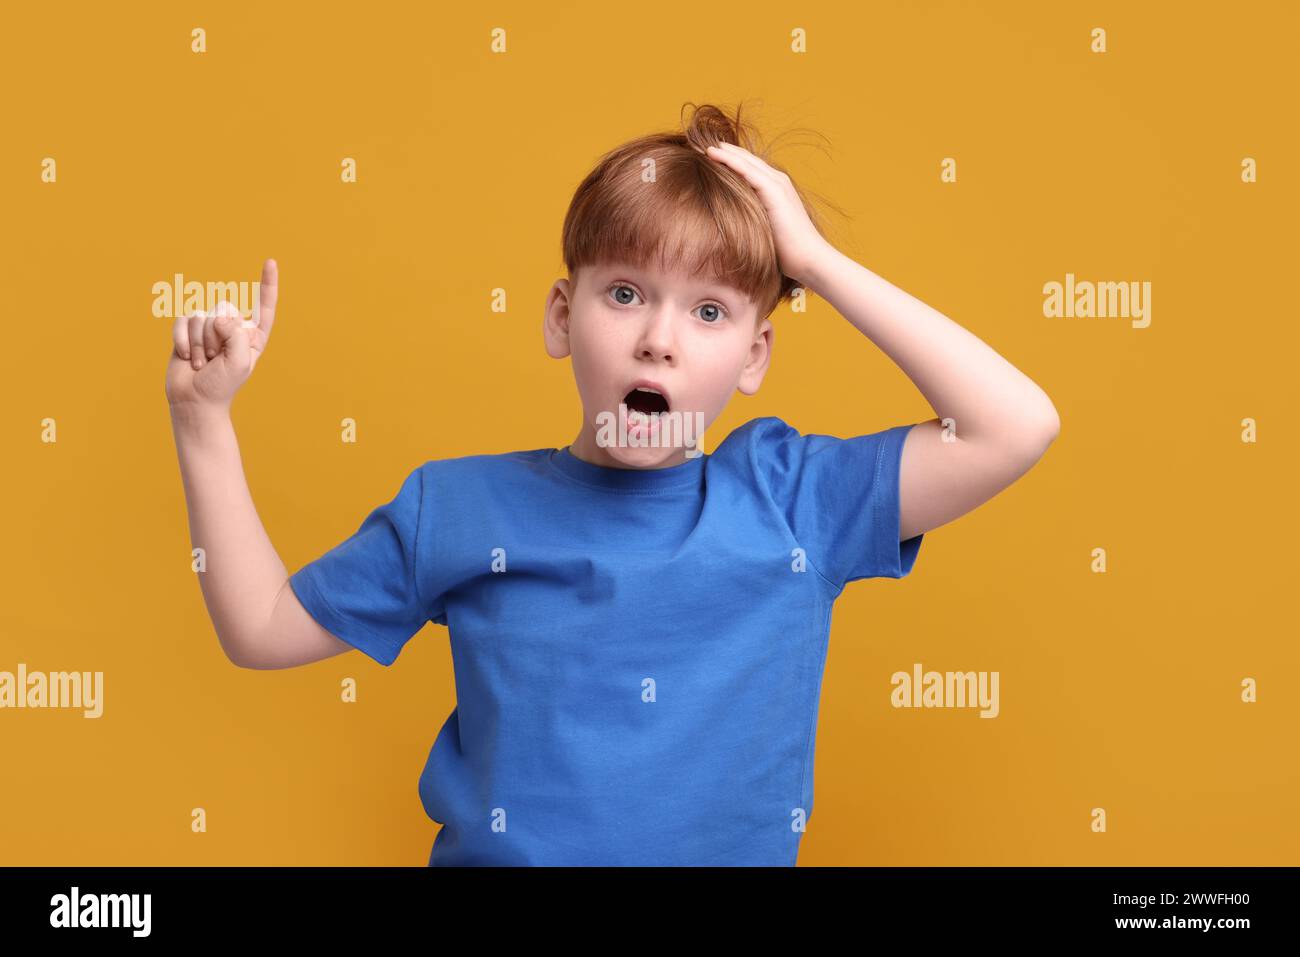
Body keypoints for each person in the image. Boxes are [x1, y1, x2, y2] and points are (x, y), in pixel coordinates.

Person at [165, 102, 1060, 866]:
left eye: (709, 311)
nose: (658, 339)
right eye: (625, 293)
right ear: (564, 317)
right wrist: (204, 423)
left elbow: (1014, 426)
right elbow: (260, 628)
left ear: (755, 357)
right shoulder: (458, 507)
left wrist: (815, 262)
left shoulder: (793, 501)